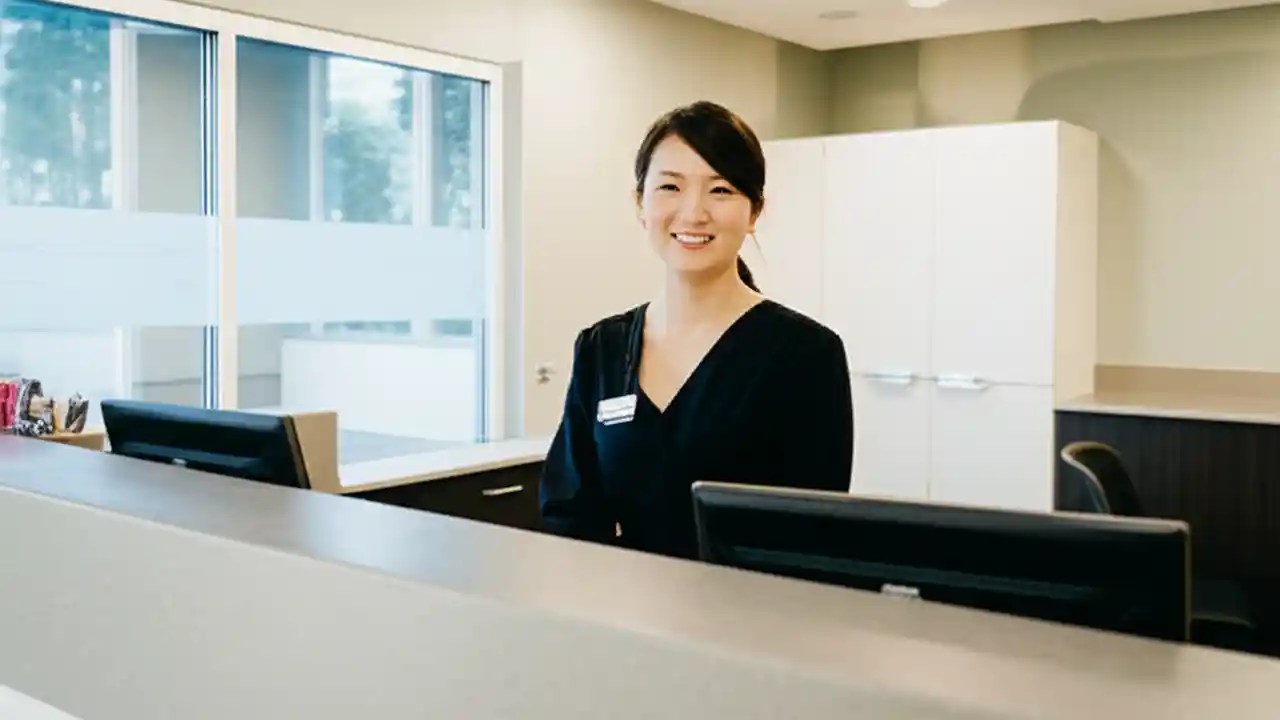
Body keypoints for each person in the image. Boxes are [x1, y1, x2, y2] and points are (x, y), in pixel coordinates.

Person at [539, 100, 854, 560]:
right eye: (670, 186)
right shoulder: (602, 347)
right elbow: (568, 511)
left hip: (748, 621)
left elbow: (812, 535)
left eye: (720, 190)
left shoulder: (805, 353)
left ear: (754, 212)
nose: (693, 212)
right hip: (618, 613)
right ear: (640, 204)